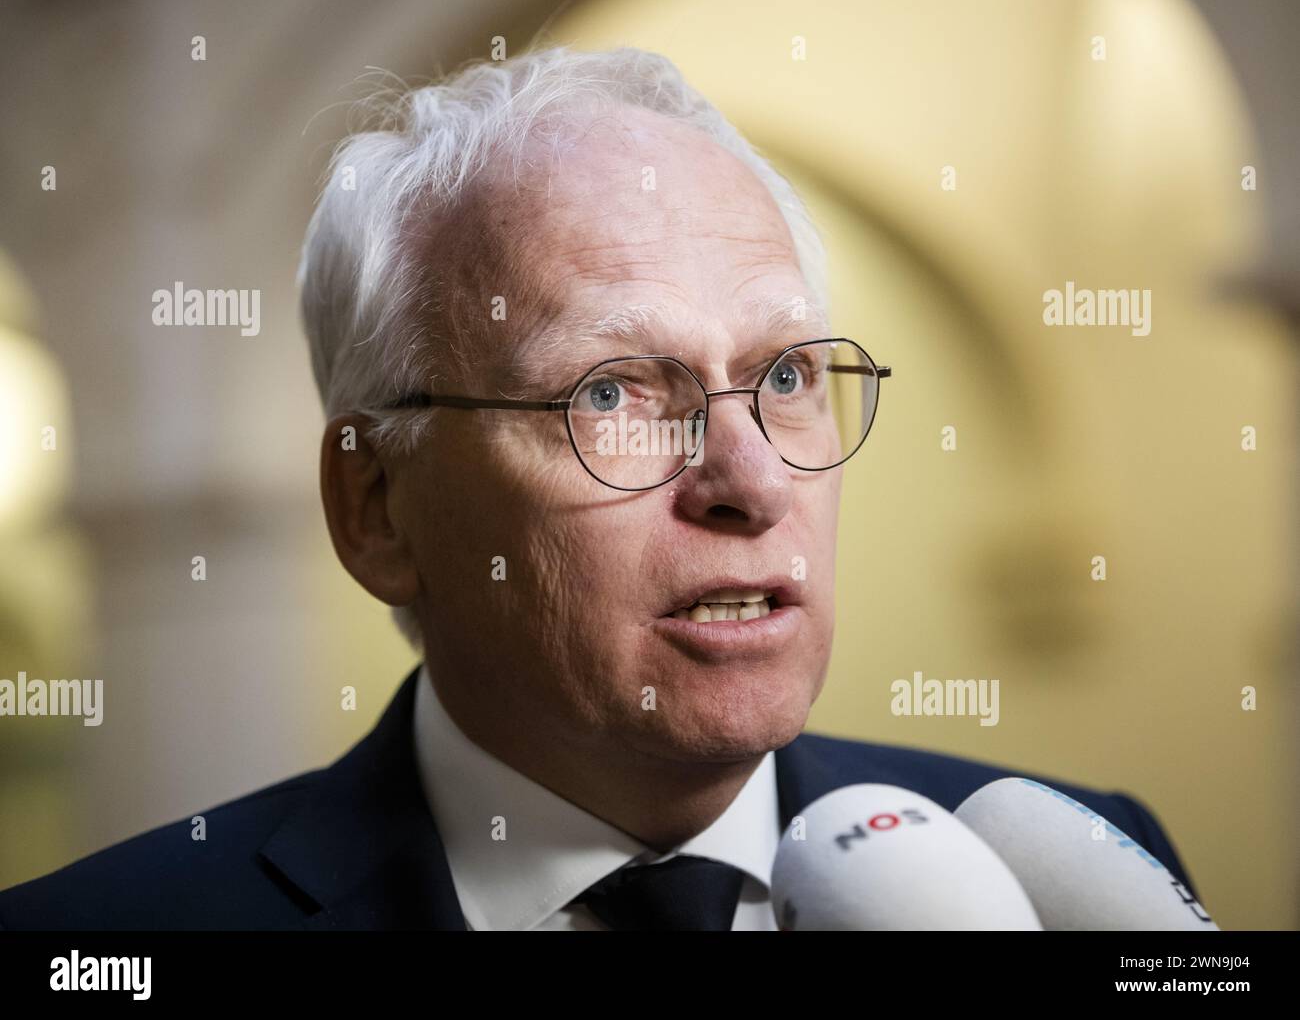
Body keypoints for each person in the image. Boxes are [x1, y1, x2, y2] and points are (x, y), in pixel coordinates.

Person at [0, 45, 1198, 930]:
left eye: (784, 375)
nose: (750, 479)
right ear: (375, 506)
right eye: (614, 394)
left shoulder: (1081, 876)